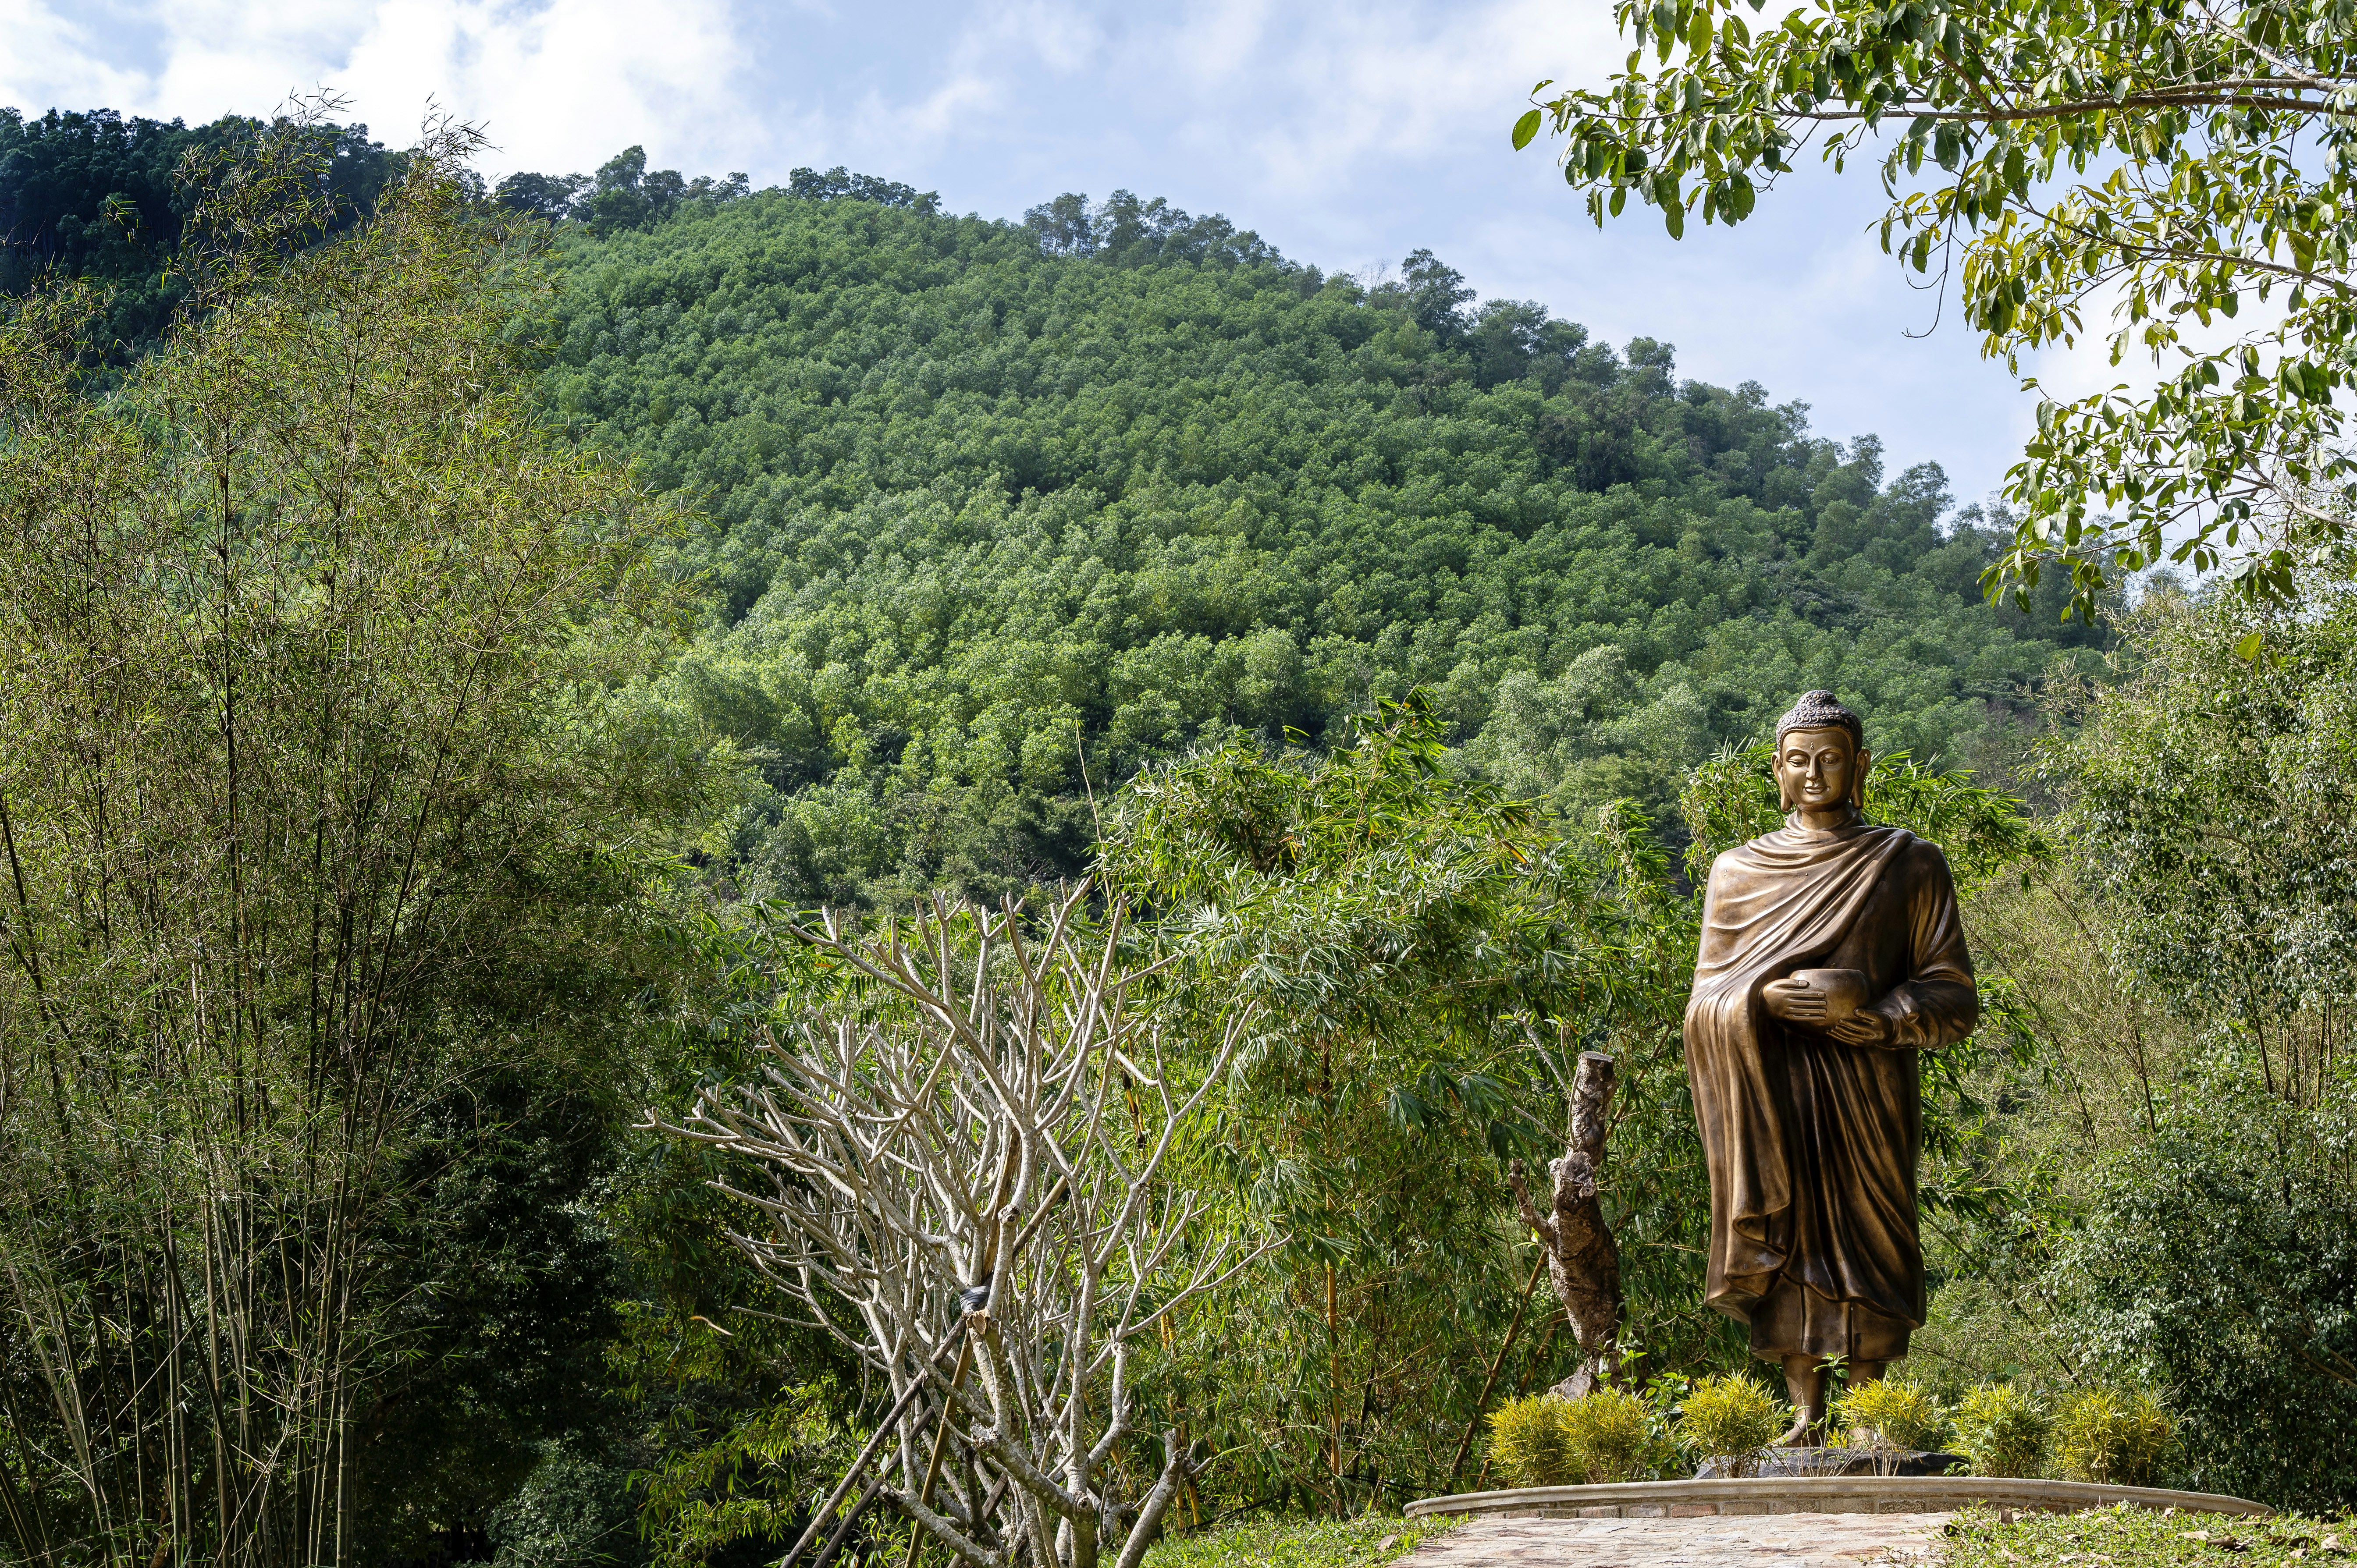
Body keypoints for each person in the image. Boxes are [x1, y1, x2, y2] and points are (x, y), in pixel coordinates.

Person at [1684, 691, 1979, 1444]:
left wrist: (1871, 1011)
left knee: (1870, 1233)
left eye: (1831, 759)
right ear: (1776, 771)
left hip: (1868, 1085)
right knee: (1790, 1233)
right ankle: (1803, 1409)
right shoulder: (1735, 871)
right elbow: (1704, 1000)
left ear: (1859, 767)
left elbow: (1953, 995)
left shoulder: (1907, 861)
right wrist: (1762, 998)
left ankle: (1871, 1411)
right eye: (1798, 760)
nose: (1814, 773)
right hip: (1771, 1089)